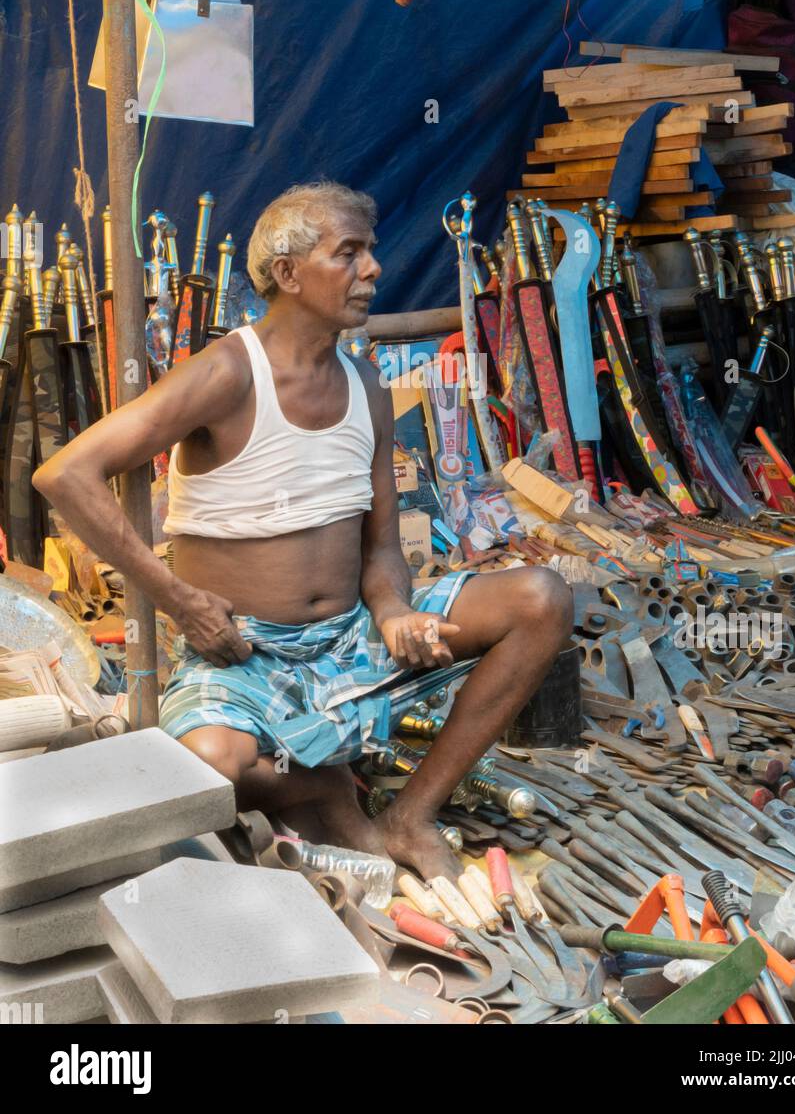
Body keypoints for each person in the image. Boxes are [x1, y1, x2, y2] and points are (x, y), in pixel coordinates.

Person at [34, 182, 574, 880]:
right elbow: (66, 474)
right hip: (243, 654)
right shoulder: (229, 373)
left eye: (370, 252)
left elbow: (380, 545)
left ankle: (408, 815)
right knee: (206, 765)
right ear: (287, 274)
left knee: (543, 598)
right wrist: (180, 600)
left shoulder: (367, 387)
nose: (373, 269)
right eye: (348, 253)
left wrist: (393, 612)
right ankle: (320, 786)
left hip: (348, 644)